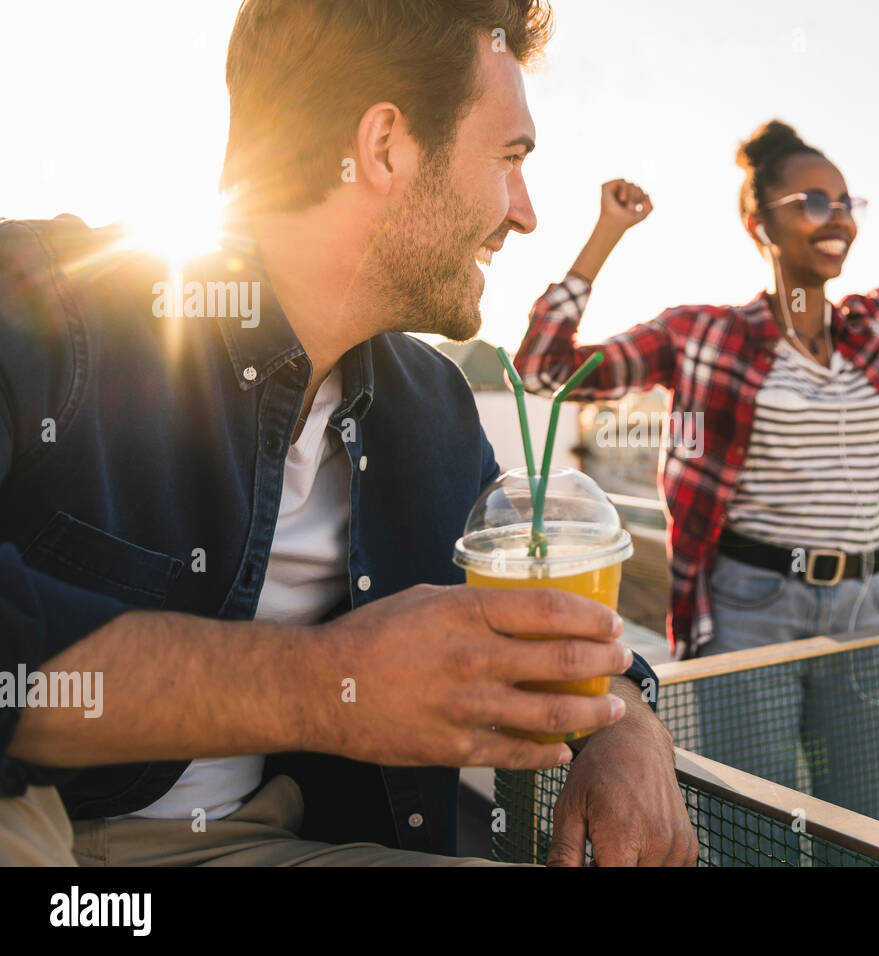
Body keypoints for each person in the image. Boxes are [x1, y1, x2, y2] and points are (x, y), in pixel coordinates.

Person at [0, 0, 696, 868]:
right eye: (511, 159)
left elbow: (530, 610)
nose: (525, 213)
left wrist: (627, 727)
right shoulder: (40, 303)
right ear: (385, 147)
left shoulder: (431, 409)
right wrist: (326, 684)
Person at [513, 12, 879, 853]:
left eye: (846, 199)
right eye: (813, 201)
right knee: (754, 833)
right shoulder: (706, 335)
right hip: (750, 606)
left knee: (866, 833)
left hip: (865, 602)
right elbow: (544, 368)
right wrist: (604, 236)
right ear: (761, 226)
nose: (839, 217)